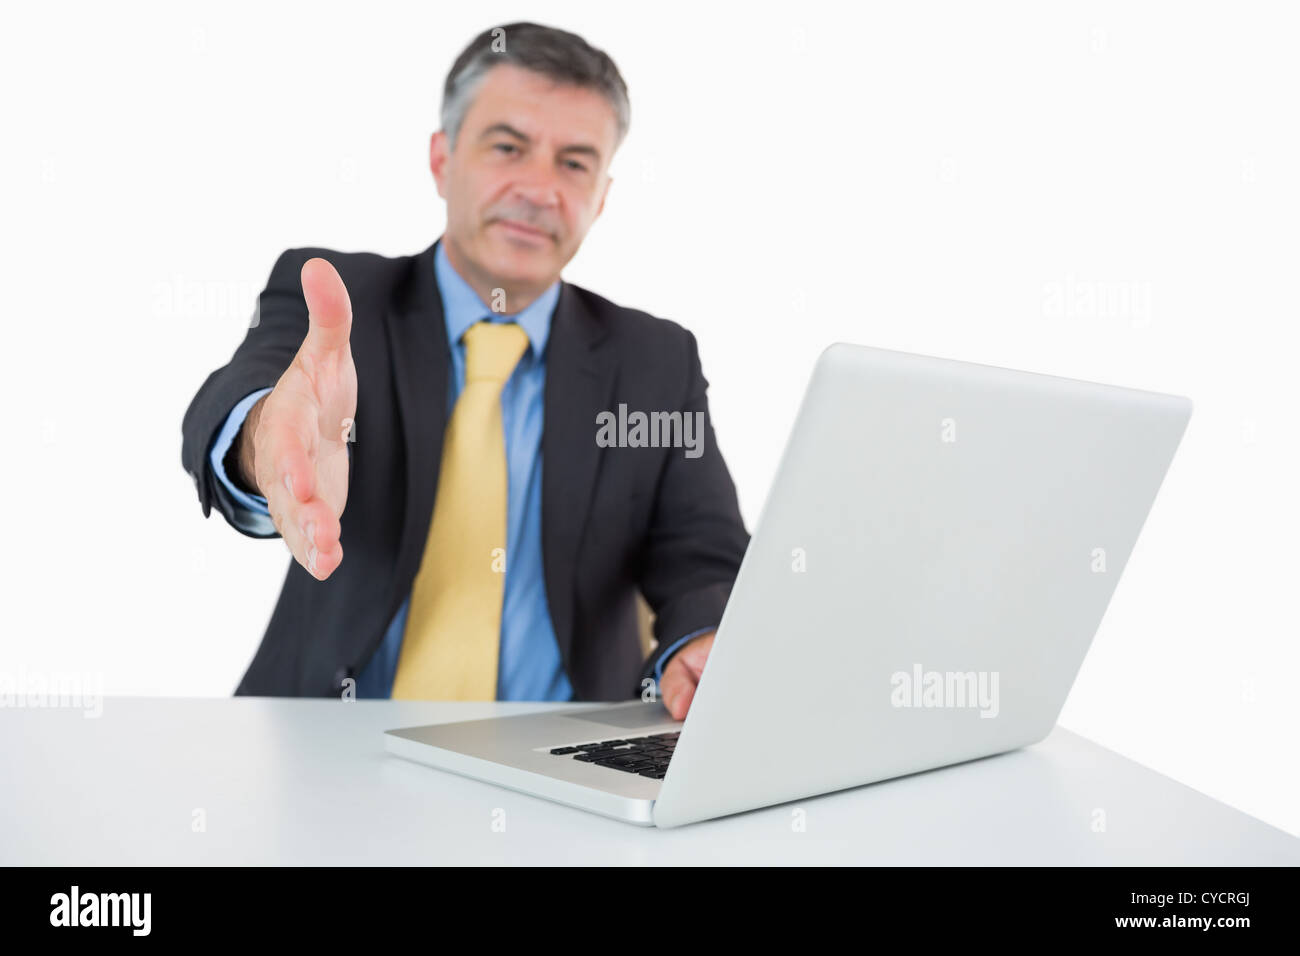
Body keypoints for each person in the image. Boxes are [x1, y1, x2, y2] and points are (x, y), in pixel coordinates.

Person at [181, 21, 748, 718]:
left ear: (601, 196)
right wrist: (268, 437)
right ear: (442, 160)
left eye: (574, 163)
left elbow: (704, 547)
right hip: (329, 744)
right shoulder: (342, 302)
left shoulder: (655, 359)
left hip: (562, 762)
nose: (541, 189)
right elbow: (247, 392)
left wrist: (706, 635)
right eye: (508, 147)